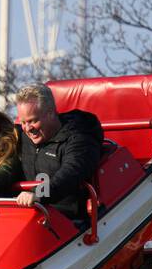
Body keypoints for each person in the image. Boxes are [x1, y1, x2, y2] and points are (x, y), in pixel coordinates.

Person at [13, 83, 105, 226]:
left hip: (68, 220)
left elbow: (72, 171)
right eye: (23, 122)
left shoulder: (79, 137)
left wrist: (39, 194)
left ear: (50, 113)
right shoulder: (20, 137)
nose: (28, 129)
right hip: (29, 217)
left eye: (33, 121)